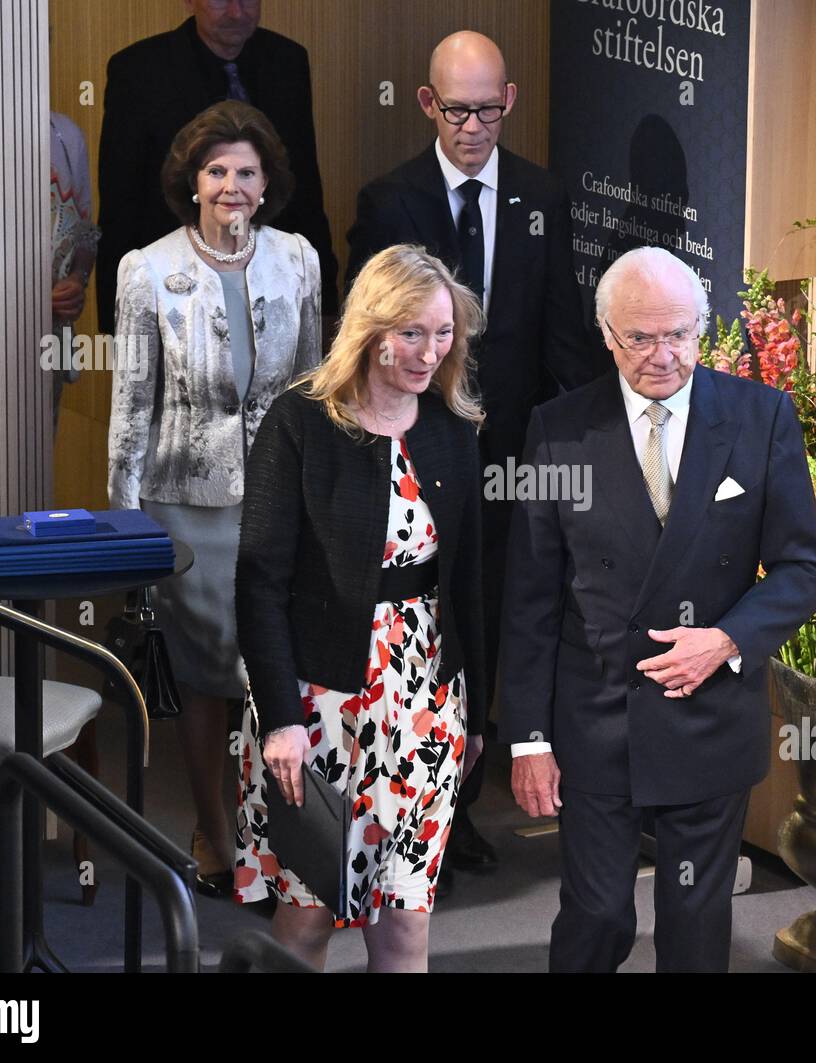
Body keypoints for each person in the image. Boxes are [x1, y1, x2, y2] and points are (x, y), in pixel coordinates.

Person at [499, 246, 816, 972]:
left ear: (702, 328)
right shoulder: (558, 432)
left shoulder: (760, 417)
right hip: (595, 720)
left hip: (707, 716)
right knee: (597, 913)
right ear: (606, 335)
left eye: (679, 334)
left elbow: (806, 567)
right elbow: (529, 599)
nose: (663, 355)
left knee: (695, 922)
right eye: (640, 338)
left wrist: (725, 639)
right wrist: (528, 737)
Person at [346, 31, 610, 881]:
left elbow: (564, 338)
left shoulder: (542, 194)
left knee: (491, 619)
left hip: (513, 459)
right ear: (427, 104)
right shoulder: (391, 199)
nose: (473, 126)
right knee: (428, 623)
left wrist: (581, 452)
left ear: (511, 100)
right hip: (418, 453)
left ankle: (456, 808)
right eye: (457, 110)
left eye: (488, 110)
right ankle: (409, 813)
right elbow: (361, 340)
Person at [233, 244, 488, 973]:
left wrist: (475, 715)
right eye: (411, 332)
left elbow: (468, 582)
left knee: (404, 925)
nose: (429, 351)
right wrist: (280, 716)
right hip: (317, 710)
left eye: (442, 334)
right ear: (370, 328)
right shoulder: (300, 422)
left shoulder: (450, 426)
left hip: (424, 708)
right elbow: (260, 582)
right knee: (309, 917)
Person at [107, 99, 323, 897]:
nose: (232, 185)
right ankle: (214, 830)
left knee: (274, 669)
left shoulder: (298, 260)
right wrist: (127, 535)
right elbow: (131, 408)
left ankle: (276, 836)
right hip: (185, 507)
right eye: (217, 170)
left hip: (279, 501)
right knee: (205, 677)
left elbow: (315, 388)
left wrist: (324, 493)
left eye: (247, 171)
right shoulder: (147, 269)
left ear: (267, 184)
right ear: (192, 182)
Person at [96, 0, 339, 336]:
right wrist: (115, 321)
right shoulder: (138, 70)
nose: (237, 13)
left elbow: (306, 186)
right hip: (174, 292)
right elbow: (119, 202)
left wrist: (325, 304)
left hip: (272, 282)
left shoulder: (287, 61)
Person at [49, 109, 99, 430]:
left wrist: (76, 280)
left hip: (49, 335)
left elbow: (86, 233)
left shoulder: (63, 133)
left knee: (34, 459)